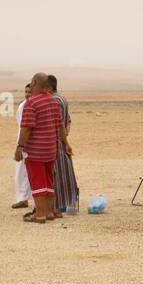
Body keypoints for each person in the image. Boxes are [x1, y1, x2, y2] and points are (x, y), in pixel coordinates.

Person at [16, 72, 71, 222]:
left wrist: (20, 146)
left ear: (34, 83)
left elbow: (26, 127)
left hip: (35, 150)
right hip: (51, 149)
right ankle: (49, 212)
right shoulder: (53, 101)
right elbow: (60, 126)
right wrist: (66, 144)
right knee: (48, 180)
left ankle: (40, 214)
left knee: (37, 180)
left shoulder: (31, 103)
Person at [48, 75, 79, 214]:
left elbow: (58, 124)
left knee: (59, 174)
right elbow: (68, 122)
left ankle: (63, 205)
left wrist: (63, 140)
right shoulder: (62, 98)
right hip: (61, 141)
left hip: (56, 143)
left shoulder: (54, 101)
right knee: (65, 173)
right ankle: (66, 203)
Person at [11, 81, 33, 209]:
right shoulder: (22, 106)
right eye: (25, 92)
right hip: (22, 141)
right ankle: (22, 199)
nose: (27, 94)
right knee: (20, 171)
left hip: (32, 143)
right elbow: (21, 126)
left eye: (30, 92)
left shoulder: (33, 106)